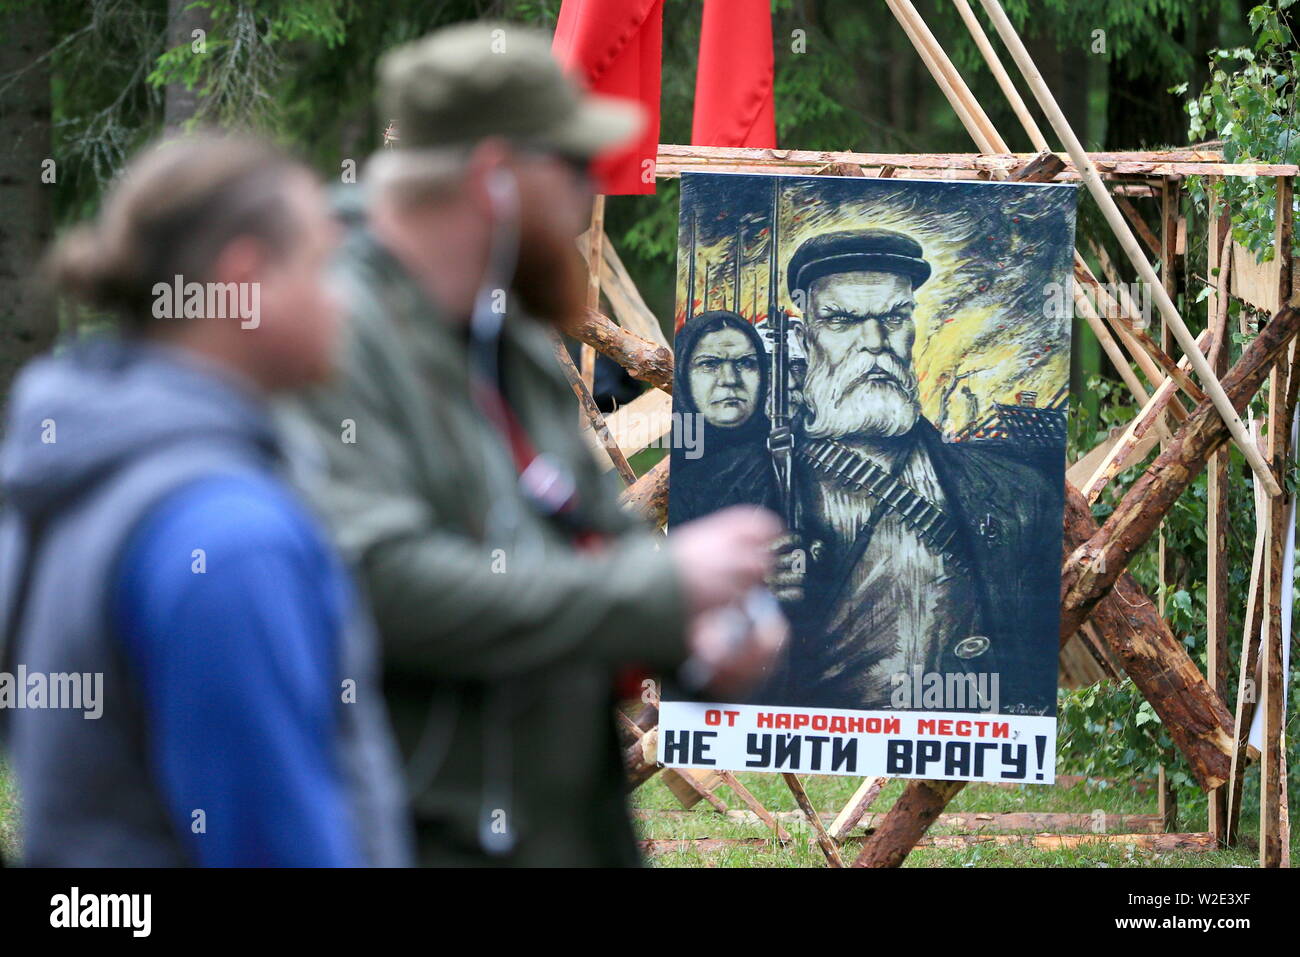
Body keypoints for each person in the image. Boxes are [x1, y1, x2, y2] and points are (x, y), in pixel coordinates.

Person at [278, 23, 782, 867]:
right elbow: (384, 582)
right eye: (577, 167)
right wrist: (654, 593)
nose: (596, 191)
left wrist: (696, 634)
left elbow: (591, 529)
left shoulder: (499, 322)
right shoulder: (326, 335)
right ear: (494, 180)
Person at [0, 134, 411, 866]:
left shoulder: (74, 471)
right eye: (320, 266)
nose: (341, 300)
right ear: (245, 279)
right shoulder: (227, 539)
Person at [771, 228, 1061, 714]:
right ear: (807, 337)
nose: (875, 342)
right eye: (842, 320)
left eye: (894, 316)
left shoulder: (1016, 493)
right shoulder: (757, 481)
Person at [668, 310, 779, 525]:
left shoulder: (782, 459)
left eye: (745, 363)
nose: (729, 380)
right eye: (709, 364)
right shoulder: (665, 454)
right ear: (682, 373)